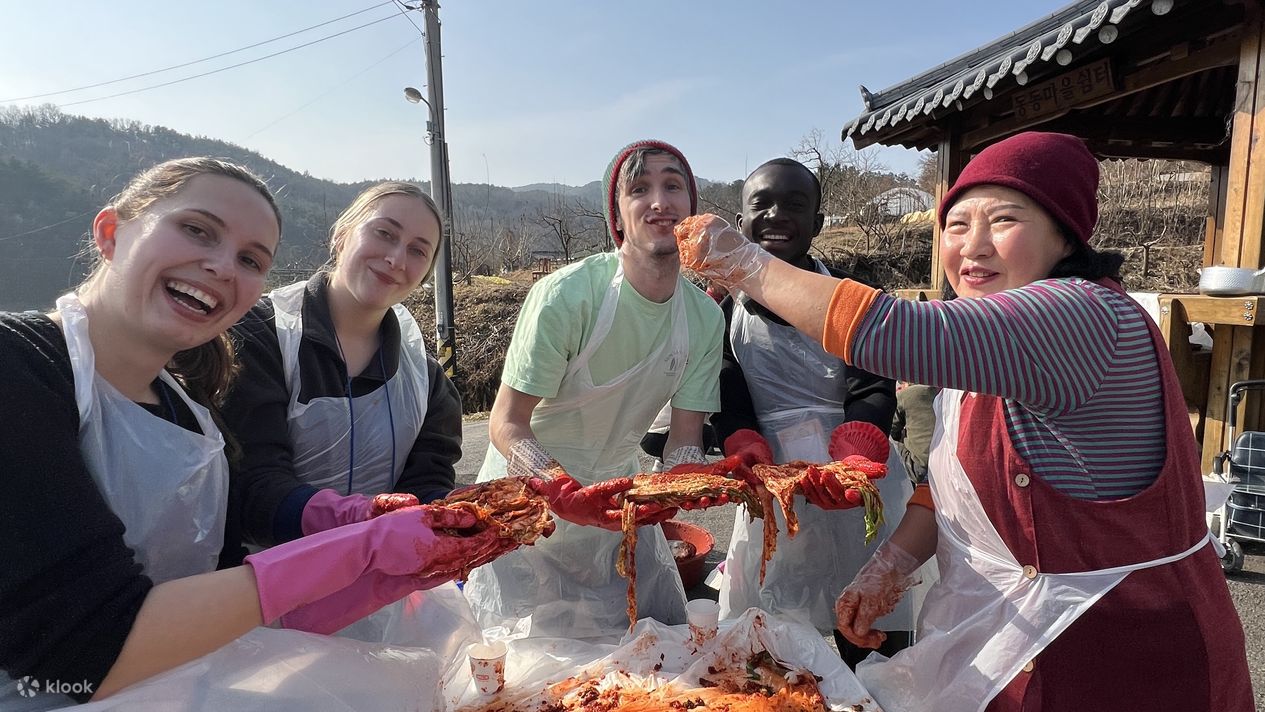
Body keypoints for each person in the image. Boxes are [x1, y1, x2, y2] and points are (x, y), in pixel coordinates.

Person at [676, 132, 1252, 710]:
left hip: (1125, 653)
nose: (973, 246)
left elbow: (892, 337)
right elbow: (961, 486)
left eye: (1003, 219)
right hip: (1011, 646)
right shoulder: (987, 336)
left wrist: (744, 261)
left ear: (1064, 234)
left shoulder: (1084, 314)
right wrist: (889, 564)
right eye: (956, 225)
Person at [0, 159, 516, 708]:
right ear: (111, 232)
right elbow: (85, 650)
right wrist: (351, 545)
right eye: (197, 230)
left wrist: (392, 558)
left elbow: (220, 588)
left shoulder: (192, 412)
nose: (222, 266)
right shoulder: (19, 367)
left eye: (250, 259)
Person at [464, 139, 725, 640]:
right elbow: (506, 423)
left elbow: (684, 437)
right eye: (640, 188)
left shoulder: (704, 318)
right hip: (526, 506)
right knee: (520, 669)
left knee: (639, 661)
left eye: (673, 186)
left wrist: (675, 486)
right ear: (619, 216)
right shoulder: (567, 296)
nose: (659, 201)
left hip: (614, 504)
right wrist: (557, 488)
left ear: (691, 208)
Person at [709, 158, 911, 668]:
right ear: (741, 219)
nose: (777, 214)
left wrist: (856, 453)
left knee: (869, 624)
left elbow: (873, 382)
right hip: (771, 480)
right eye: (762, 204)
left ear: (818, 222)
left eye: (795, 205)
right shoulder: (723, 309)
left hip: (854, 477)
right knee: (769, 623)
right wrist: (740, 439)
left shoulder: (852, 299)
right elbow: (725, 391)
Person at [223, 182, 459, 558]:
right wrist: (355, 520)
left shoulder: (423, 377)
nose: (397, 258)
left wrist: (454, 519)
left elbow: (428, 479)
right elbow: (250, 481)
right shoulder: (260, 334)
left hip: (379, 580)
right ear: (341, 235)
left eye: (418, 250)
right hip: (260, 586)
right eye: (385, 233)